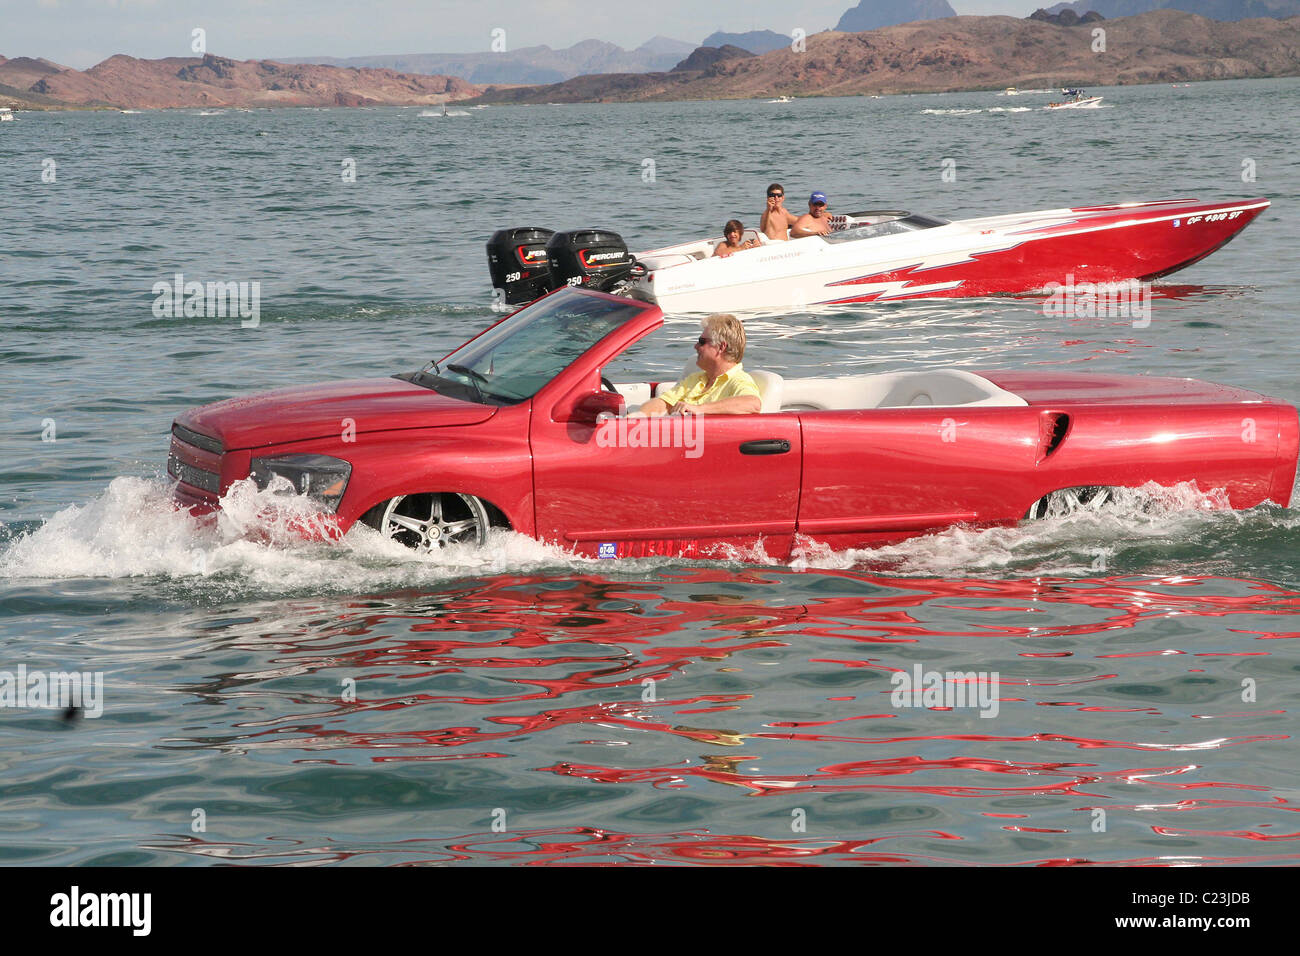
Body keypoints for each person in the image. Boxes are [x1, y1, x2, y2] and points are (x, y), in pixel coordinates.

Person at [639, 313, 761, 416]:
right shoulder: (696, 379)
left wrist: (699, 409)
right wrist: (637, 417)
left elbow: (753, 404)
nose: (695, 346)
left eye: (702, 342)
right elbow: (664, 403)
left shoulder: (738, 380)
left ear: (721, 347)